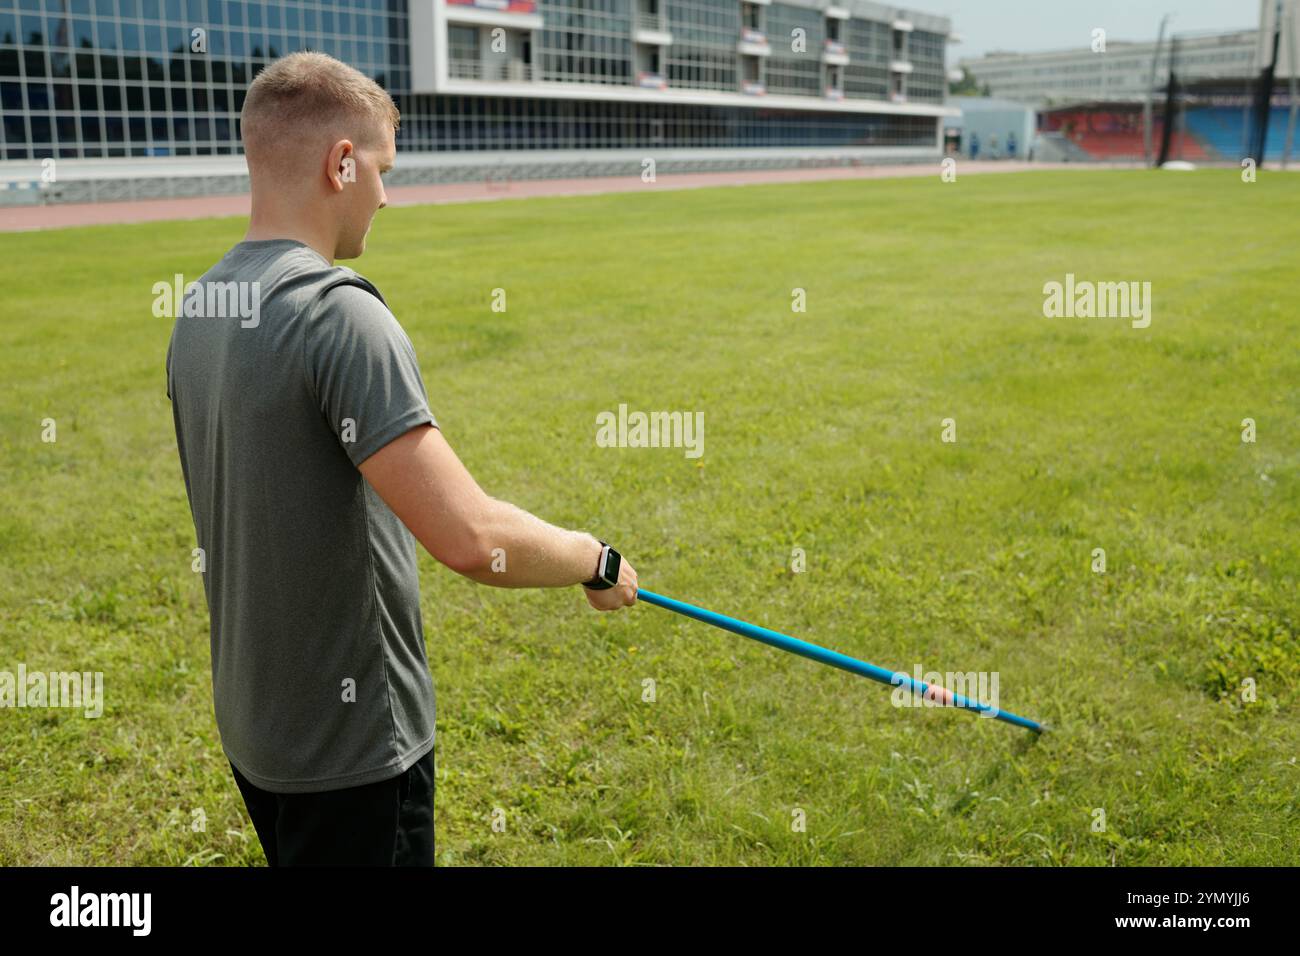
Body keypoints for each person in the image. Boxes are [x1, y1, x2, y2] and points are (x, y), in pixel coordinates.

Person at [165, 52, 638, 867]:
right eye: (382, 169)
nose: (386, 194)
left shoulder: (202, 305)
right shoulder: (337, 315)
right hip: (351, 754)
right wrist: (596, 561)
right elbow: (469, 536)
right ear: (341, 163)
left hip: (259, 735)